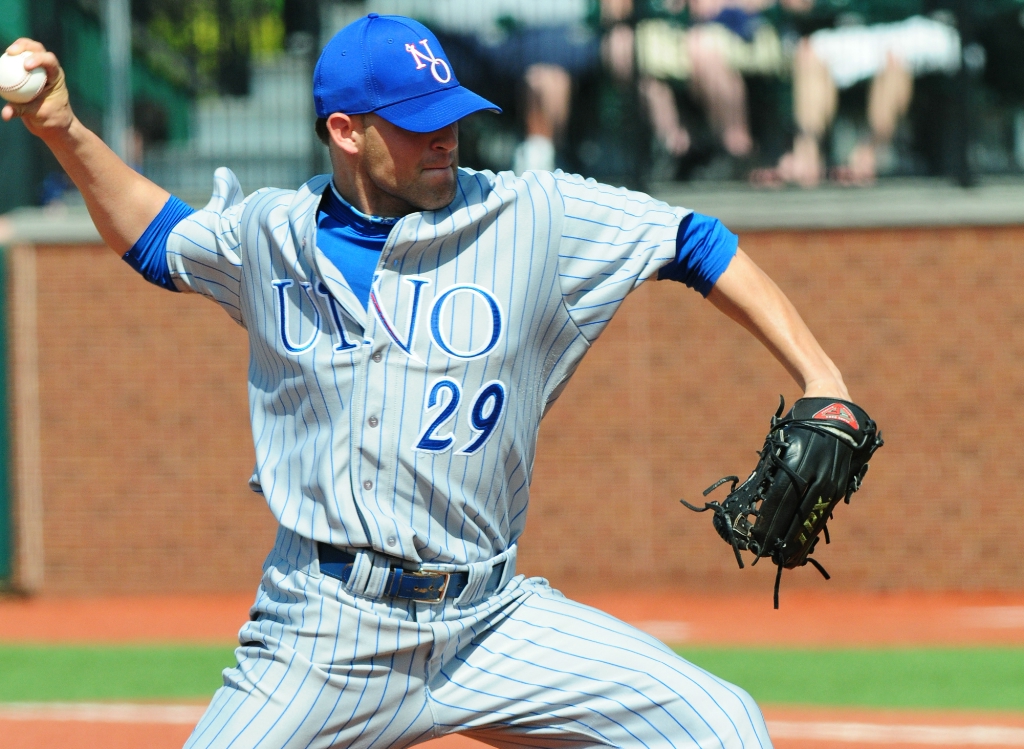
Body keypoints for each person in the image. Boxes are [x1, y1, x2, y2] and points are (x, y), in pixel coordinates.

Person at [6, 12, 850, 748]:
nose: (445, 135)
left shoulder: (529, 214)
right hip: (324, 631)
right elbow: (160, 241)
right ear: (346, 132)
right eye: (418, 123)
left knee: (719, 724)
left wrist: (822, 375)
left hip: (490, 621)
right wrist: (62, 129)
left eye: (451, 114)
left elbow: (692, 239)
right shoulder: (272, 234)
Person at [763, 2, 961, 187]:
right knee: (808, 52)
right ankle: (807, 153)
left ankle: (869, 152)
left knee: (894, 58)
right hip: (861, 29)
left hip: (915, 25)